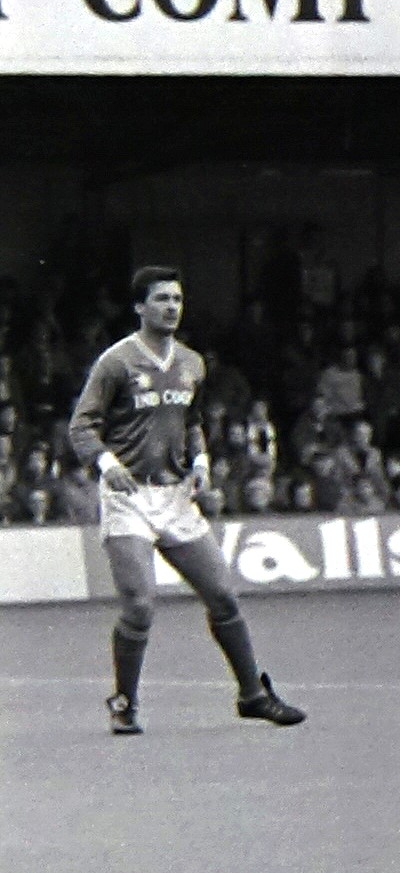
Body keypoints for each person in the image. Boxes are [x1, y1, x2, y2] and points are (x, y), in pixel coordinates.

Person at [67, 268, 305, 736]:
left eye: (177, 299)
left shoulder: (192, 362)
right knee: (139, 605)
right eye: (161, 299)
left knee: (223, 596)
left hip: (175, 496)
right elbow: (82, 425)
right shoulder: (116, 362)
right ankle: (125, 702)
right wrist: (107, 465)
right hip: (128, 496)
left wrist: (199, 460)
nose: (172, 307)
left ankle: (252, 695)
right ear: (139, 307)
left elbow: (191, 419)